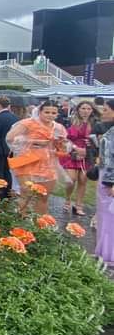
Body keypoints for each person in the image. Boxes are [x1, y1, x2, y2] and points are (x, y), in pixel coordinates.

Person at [6, 100, 67, 214]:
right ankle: (20, 221)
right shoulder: (28, 123)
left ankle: (39, 225)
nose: (50, 115)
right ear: (40, 112)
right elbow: (10, 138)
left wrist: (61, 144)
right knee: (26, 193)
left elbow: (62, 148)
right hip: (27, 161)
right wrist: (33, 141)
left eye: (53, 113)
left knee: (43, 196)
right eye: (47, 112)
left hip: (48, 164)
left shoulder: (59, 128)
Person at [59, 100, 95, 216]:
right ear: (78, 109)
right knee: (71, 180)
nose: (86, 111)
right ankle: (68, 199)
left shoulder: (94, 124)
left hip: (87, 154)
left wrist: (87, 150)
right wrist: (75, 147)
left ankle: (79, 205)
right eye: (83, 108)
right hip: (72, 152)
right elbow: (65, 138)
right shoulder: (70, 121)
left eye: (88, 109)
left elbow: (97, 140)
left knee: (83, 180)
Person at [95, 99, 114, 267]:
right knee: (104, 215)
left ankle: (109, 254)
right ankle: (102, 250)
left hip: (110, 178)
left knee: (110, 215)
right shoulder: (110, 130)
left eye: (107, 110)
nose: (103, 113)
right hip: (105, 174)